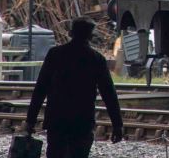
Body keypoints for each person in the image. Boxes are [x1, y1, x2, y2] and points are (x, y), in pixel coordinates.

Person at [23, 18, 124, 157]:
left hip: (57, 120)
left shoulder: (55, 54)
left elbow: (40, 89)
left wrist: (30, 121)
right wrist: (117, 125)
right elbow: (109, 94)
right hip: (82, 122)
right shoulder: (96, 59)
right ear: (90, 36)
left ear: (71, 33)